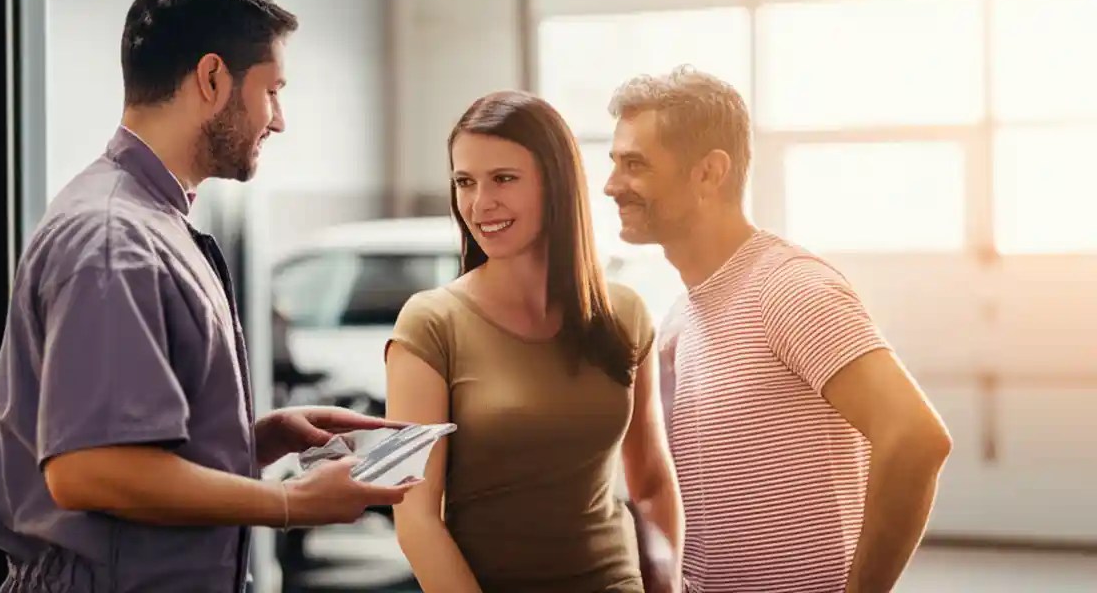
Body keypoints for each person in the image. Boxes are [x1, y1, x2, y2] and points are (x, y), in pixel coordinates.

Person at [0, 0, 417, 592]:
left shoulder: (153, 222)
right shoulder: (113, 239)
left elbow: (133, 452)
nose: (279, 120)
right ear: (212, 79)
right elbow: (90, 471)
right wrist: (290, 505)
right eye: (271, 91)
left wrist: (257, 438)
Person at [602, 65, 953, 592]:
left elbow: (916, 438)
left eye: (635, 165)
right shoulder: (681, 319)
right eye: (615, 163)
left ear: (708, 174)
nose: (611, 186)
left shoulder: (786, 288)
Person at [385, 90, 686, 593]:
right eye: (465, 182)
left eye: (503, 178)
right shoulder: (430, 323)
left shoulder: (626, 314)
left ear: (555, 183)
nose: (480, 204)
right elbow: (416, 519)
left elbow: (652, 481)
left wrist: (668, 580)